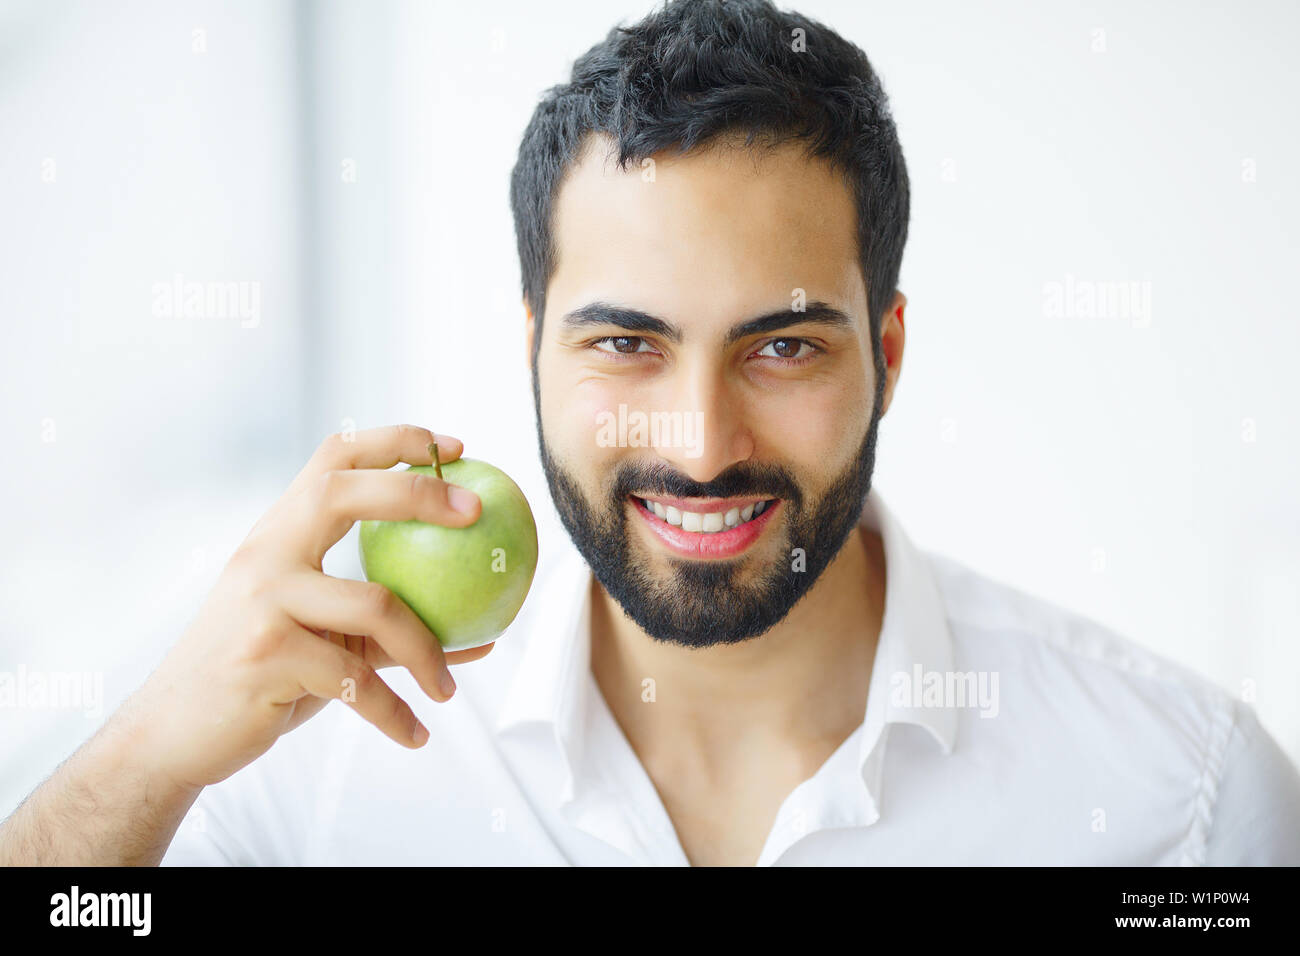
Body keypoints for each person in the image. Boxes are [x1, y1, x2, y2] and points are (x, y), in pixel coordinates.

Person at [3, 0, 1297, 867]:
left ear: (888, 353)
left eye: (781, 346)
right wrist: (144, 758)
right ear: (531, 349)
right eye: (626, 342)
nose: (699, 438)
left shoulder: (1180, 802)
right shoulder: (311, 768)